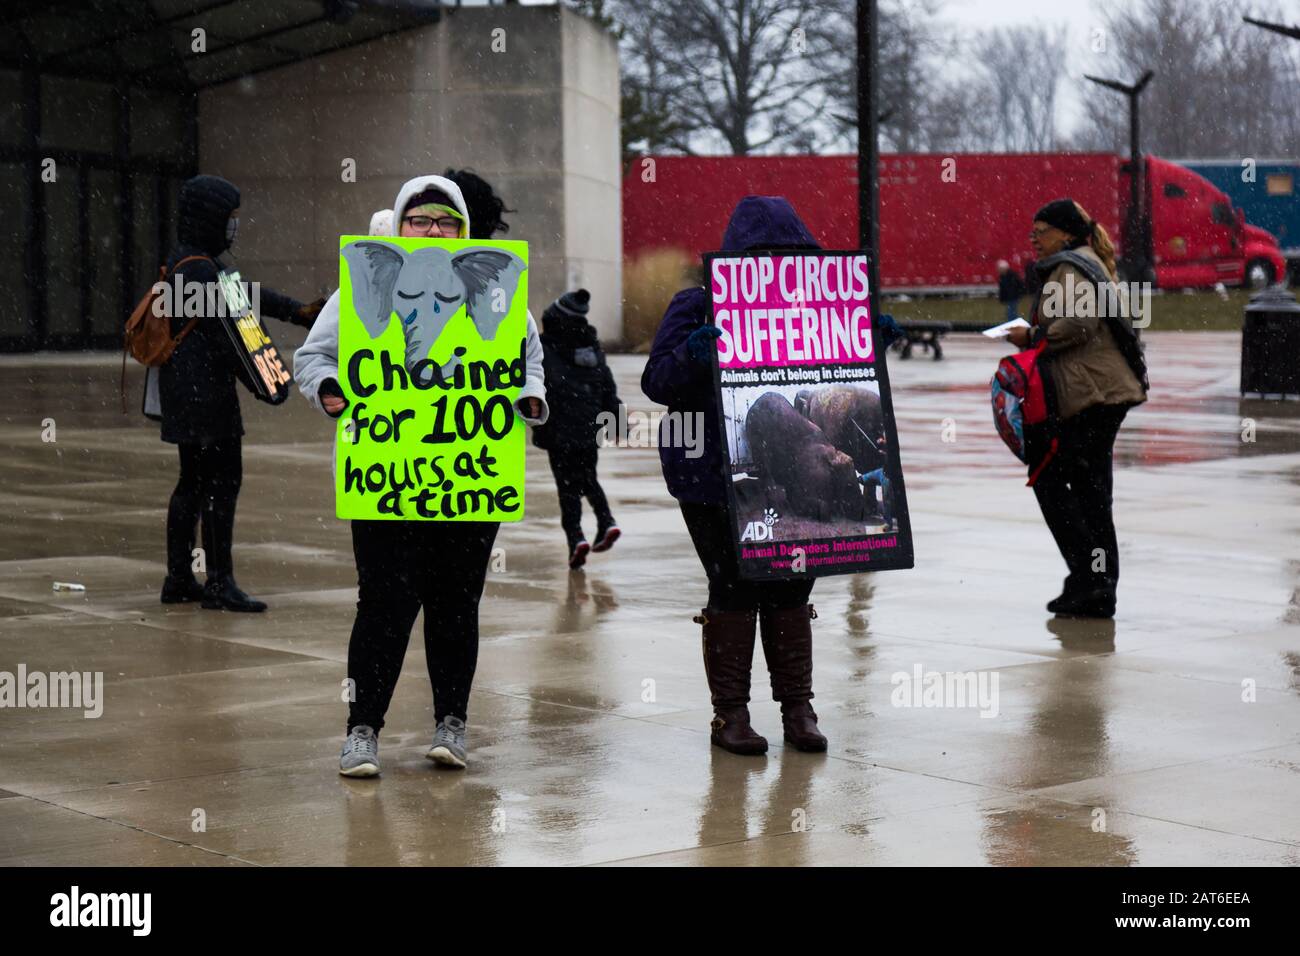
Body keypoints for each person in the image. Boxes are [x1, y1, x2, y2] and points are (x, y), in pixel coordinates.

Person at [294, 174, 549, 777]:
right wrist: (329, 388)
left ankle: (451, 726)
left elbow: (528, 360)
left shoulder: (498, 295)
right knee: (383, 604)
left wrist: (532, 398)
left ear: (463, 231)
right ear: (401, 225)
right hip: (386, 481)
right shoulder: (359, 289)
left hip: (470, 481)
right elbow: (314, 356)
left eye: (446, 222)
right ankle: (362, 733)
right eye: (421, 220)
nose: (433, 231)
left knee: (457, 605)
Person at [641, 195, 904, 757]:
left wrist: (868, 347)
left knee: (792, 581)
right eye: (767, 254)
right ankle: (730, 715)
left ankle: (798, 708)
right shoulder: (696, 303)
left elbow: (840, 372)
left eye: (791, 255)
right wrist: (691, 355)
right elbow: (656, 383)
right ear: (740, 256)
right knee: (731, 588)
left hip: (778, 467)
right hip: (705, 476)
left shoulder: (824, 309)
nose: (780, 265)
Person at [158, 174, 324, 612]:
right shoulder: (202, 270)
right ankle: (219, 583)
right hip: (206, 398)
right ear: (210, 218)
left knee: (191, 484)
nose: (234, 226)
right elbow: (236, 332)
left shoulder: (189, 261)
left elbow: (244, 294)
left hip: (183, 392)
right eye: (229, 218)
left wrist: (295, 311)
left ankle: (178, 578)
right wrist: (273, 382)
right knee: (221, 485)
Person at [1008, 198, 1146, 619]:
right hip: (1099, 394)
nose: (1033, 237)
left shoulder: (1072, 266)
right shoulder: (1083, 262)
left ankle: (1092, 580)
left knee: (1056, 483)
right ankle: (1093, 584)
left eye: (1042, 230)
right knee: (1090, 494)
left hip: (1094, 397)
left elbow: (1081, 322)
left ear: (1065, 233)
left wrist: (1032, 335)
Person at [532, 289, 622, 568]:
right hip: (589, 427)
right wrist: (615, 417)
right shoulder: (592, 347)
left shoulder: (545, 347)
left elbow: (535, 381)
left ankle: (576, 538)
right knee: (588, 478)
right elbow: (607, 386)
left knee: (567, 488)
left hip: (559, 430)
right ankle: (606, 521)